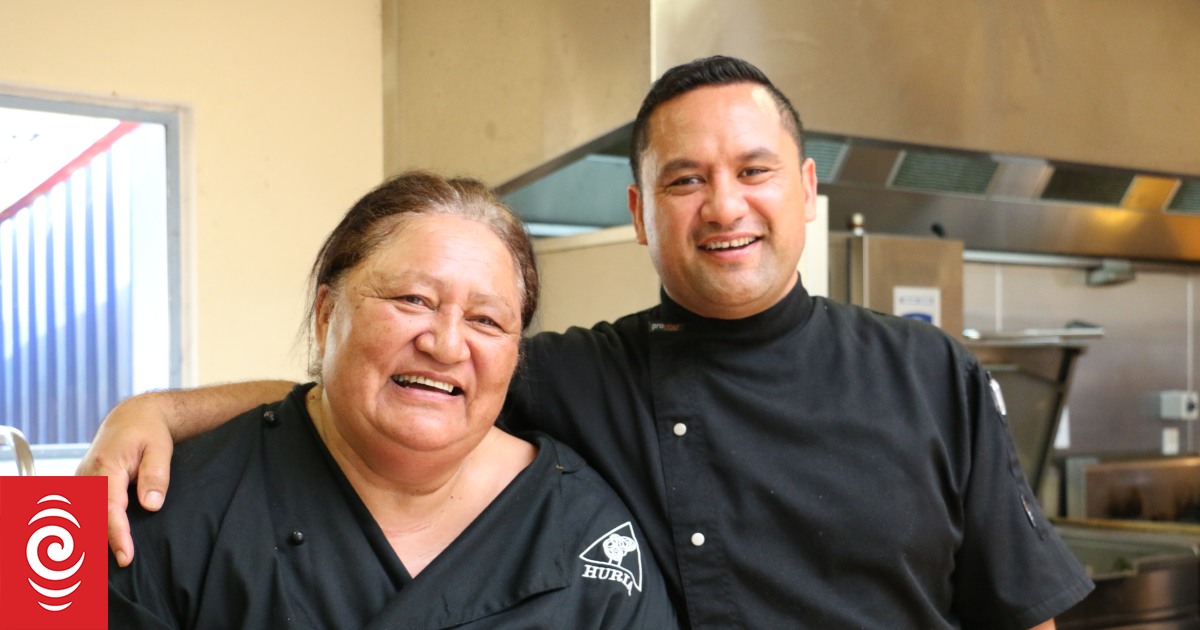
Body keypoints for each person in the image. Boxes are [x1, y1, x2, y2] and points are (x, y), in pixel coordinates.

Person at [86, 57, 1092, 628]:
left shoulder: (932, 373)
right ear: (642, 212)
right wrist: (158, 410)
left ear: (806, 191)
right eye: (684, 179)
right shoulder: (580, 374)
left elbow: (1023, 614)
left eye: (754, 170)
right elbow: (387, 392)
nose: (723, 206)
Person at [105, 172, 678, 628]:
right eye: (412, 299)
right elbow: (35, 585)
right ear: (327, 314)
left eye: (486, 319)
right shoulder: (137, 498)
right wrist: (140, 414)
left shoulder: (588, 532)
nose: (447, 344)